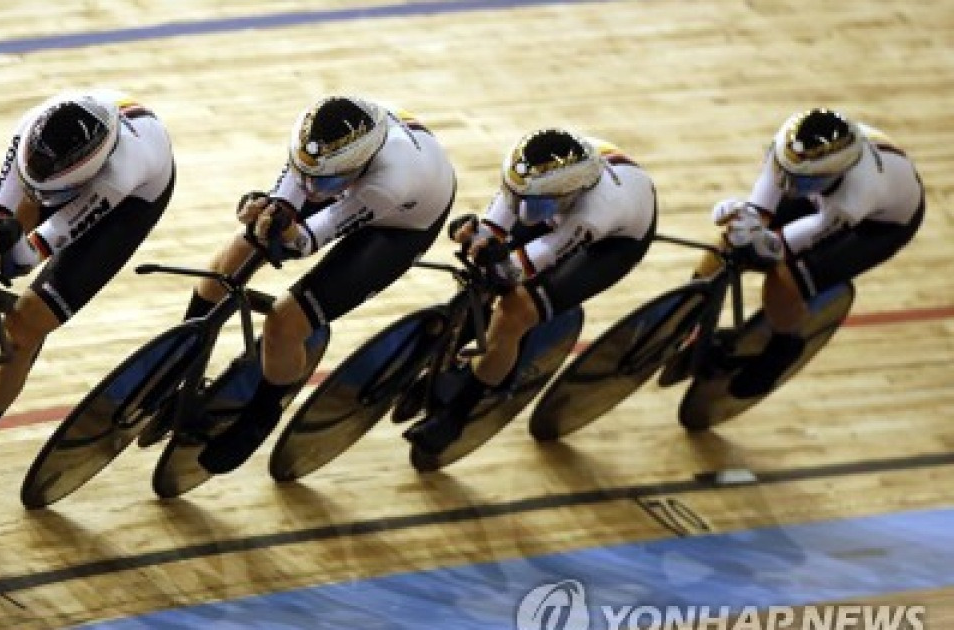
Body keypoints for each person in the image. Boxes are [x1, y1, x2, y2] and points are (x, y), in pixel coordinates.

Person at [0, 88, 176, 522]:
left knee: (25, 327)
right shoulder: (30, 126)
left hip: (126, 208)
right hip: (61, 173)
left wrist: (12, 247)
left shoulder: (118, 176)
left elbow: (29, 255)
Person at [182, 94, 457, 474]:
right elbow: (293, 191)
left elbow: (306, 241)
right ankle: (182, 354)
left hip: (400, 226)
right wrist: (264, 207)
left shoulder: (387, 184)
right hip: (360, 176)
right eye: (307, 173)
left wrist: (286, 226)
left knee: (285, 321)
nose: (311, 186)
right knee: (239, 250)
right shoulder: (315, 143)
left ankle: (262, 413)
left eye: (322, 181)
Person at [405, 127, 657, 454]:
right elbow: (497, 225)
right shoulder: (528, 176)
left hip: (613, 244)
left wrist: (499, 263)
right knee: (484, 273)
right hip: (559, 204)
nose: (521, 207)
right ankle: (453, 358)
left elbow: (523, 265)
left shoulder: (593, 216)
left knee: (514, 312)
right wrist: (476, 233)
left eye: (530, 203)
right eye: (516, 195)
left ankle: (457, 415)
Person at [699, 108, 924, 398]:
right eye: (787, 172)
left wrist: (760, 240)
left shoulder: (853, 200)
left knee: (786, 275)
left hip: (875, 227)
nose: (792, 187)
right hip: (826, 195)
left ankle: (785, 346)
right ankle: (691, 307)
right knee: (730, 240)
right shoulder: (789, 148)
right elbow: (763, 205)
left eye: (802, 183)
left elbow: (782, 245)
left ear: (835, 173)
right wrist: (746, 216)